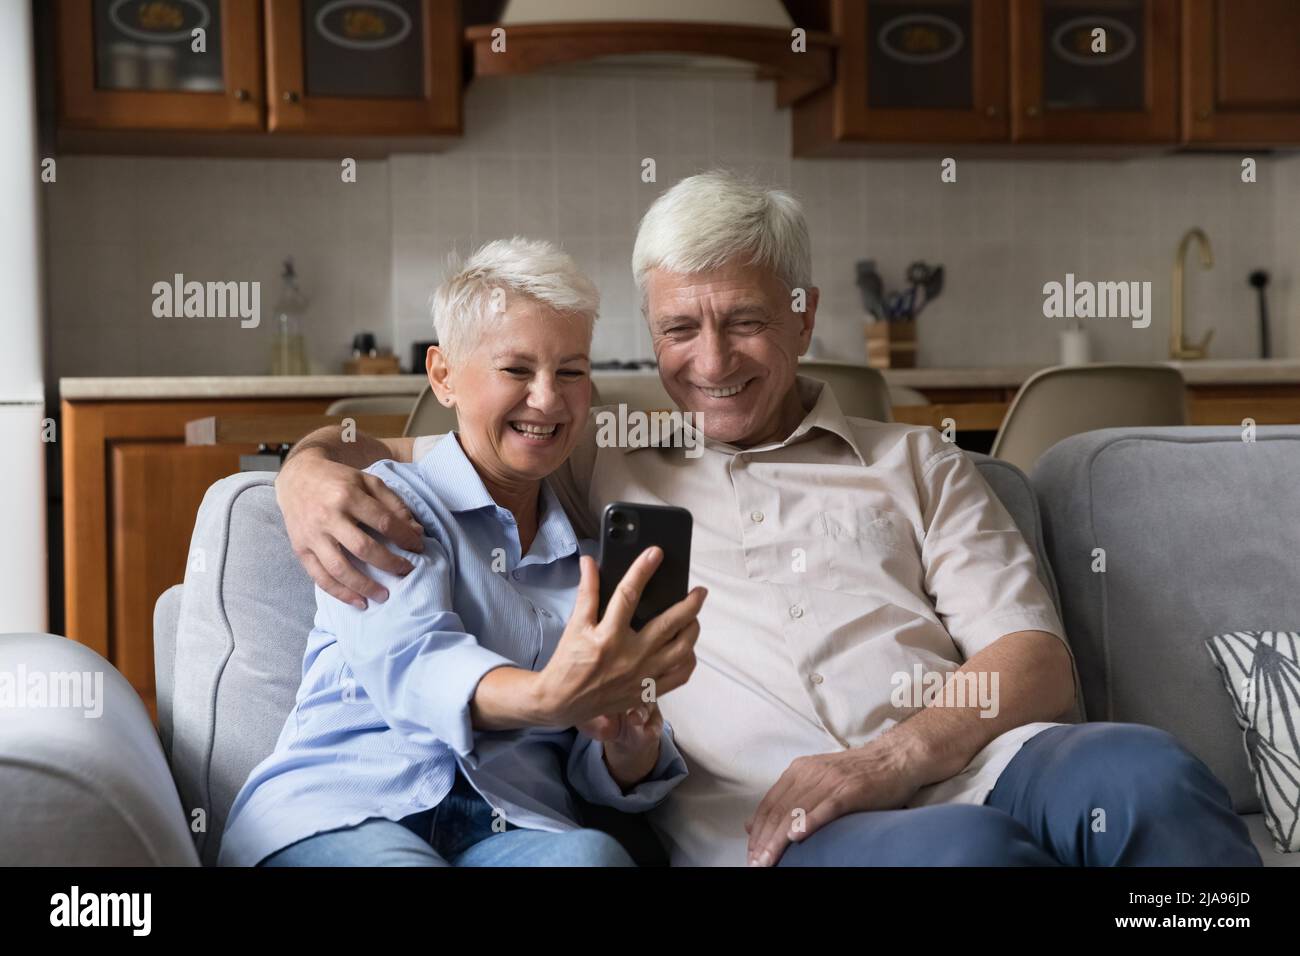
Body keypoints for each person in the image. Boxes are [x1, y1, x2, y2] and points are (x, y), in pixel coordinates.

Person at [272, 172, 1260, 868]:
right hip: (779, 822)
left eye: (743, 319)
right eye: (676, 328)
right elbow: (451, 450)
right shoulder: (601, 460)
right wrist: (306, 471)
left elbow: (1034, 660)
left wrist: (886, 759)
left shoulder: (915, 460)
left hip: (975, 763)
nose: (711, 360)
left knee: (1146, 770)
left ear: (801, 315)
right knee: (966, 855)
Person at [219, 238, 705, 867]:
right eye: (516, 370)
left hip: (512, 826)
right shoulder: (387, 499)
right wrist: (550, 695)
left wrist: (627, 745)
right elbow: (415, 662)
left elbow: (593, 759)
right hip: (349, 807)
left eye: (572, 370)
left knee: (595, 859)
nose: (548, 398)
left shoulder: (590, 562)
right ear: (443, 376)